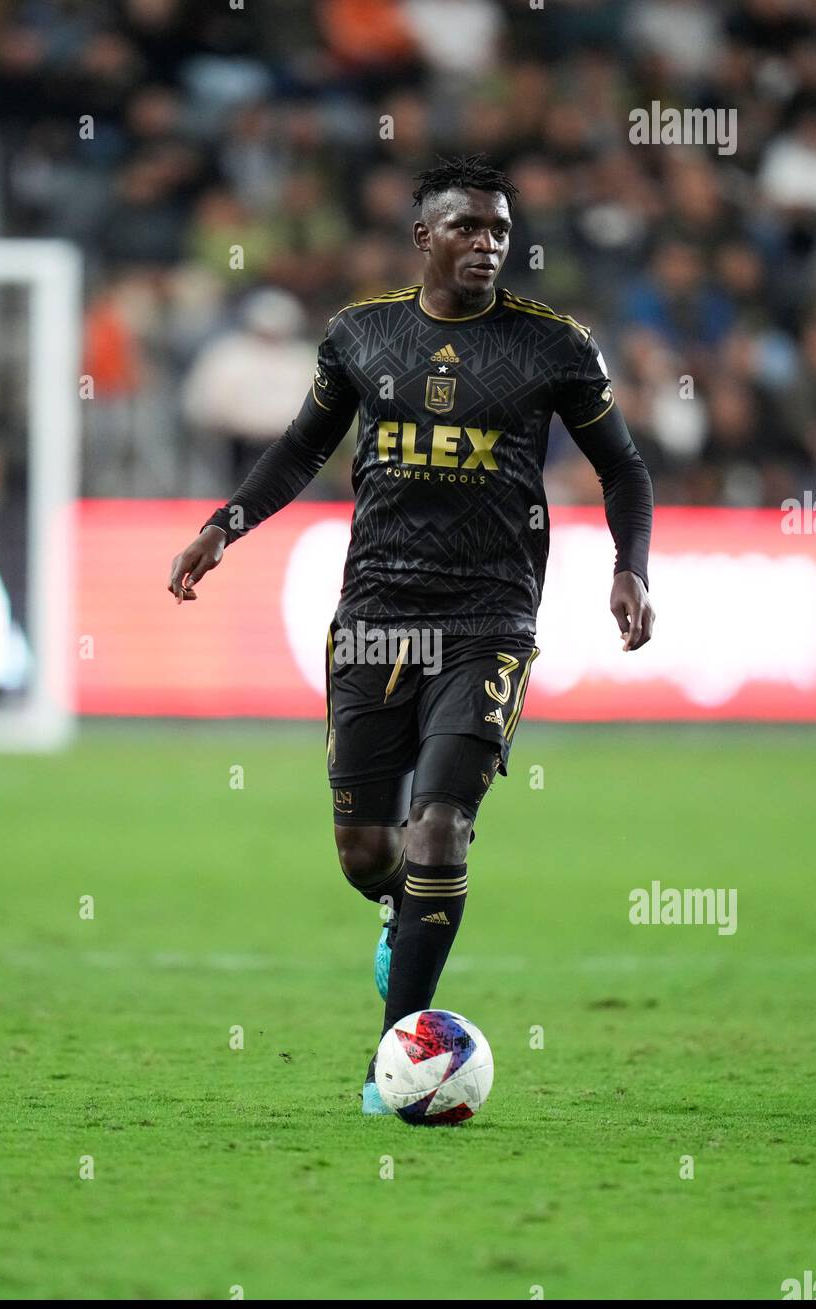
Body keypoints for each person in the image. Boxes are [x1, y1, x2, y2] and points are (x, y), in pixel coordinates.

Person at [168, 154, 655, 1114]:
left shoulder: (554, 347)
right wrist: (225, 524)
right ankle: (403, 913)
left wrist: (629, 567)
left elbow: (624, 470)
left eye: (501, 232)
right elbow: (304, 444)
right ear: (423, 236)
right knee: (364, 847)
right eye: (469, 228)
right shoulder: (362, 335)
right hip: (374, 621)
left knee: (440, 830)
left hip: (489, 623)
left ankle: (396, 1054)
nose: (488, 246)